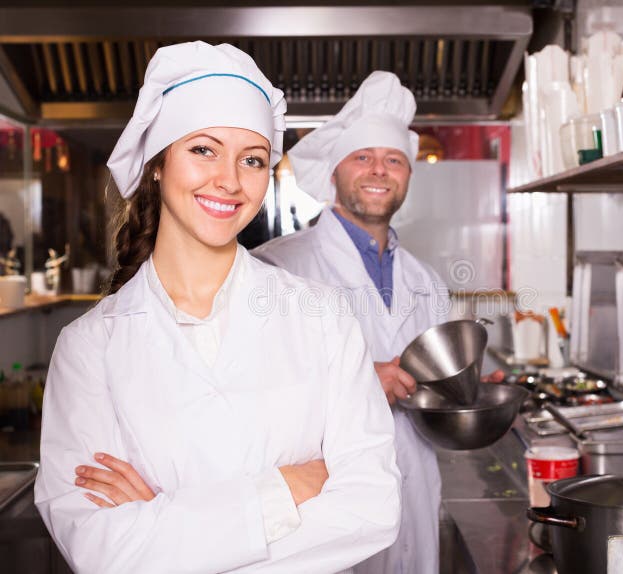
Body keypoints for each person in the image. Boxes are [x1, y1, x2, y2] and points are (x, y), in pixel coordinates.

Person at [34, 42, 401, 574]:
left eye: (252, 159)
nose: (229, 180)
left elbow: (373, 508)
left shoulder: (323, 317)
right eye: (204, 150)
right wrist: (285, 489)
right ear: (158, 164)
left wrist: (165, 525)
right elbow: (99, 550)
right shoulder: (90, 347)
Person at [251, 71, 448, 574]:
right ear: (333, 173)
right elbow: (247, 400)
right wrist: (359, 386)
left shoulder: (427, 282)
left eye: (394, 159)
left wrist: (464, 389)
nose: (379, 169)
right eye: (362, 157)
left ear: (407, 175)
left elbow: (437, 392)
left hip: (415, 498)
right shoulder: (275, 270)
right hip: (325, 507)